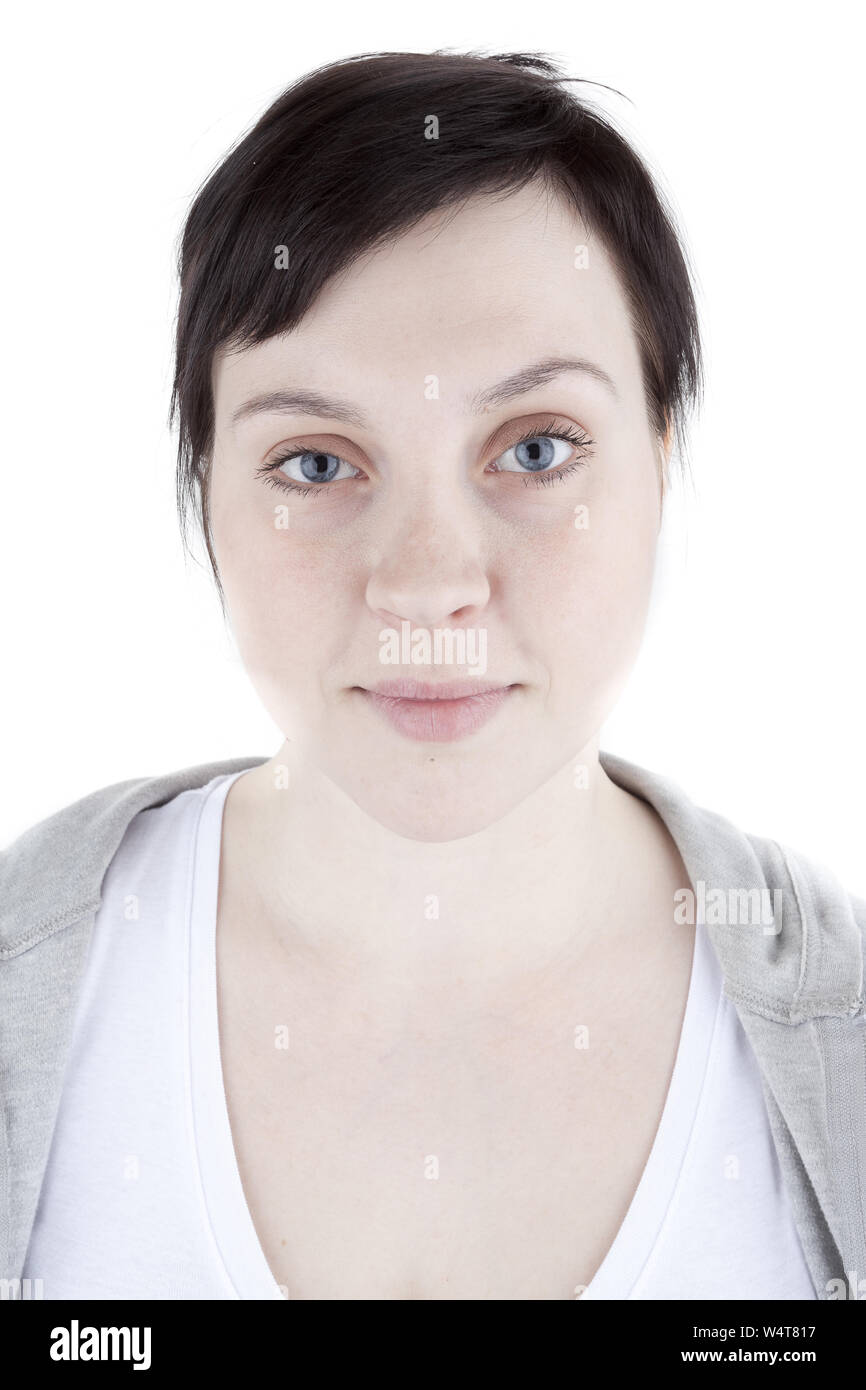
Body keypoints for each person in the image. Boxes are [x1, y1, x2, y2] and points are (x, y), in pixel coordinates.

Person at [2, 50, 863, 1303]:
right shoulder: (28, 987)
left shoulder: (839, 1026)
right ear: (204, 493)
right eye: (314, 462)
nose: (424, 583)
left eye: (534, 446)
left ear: (660, 460)